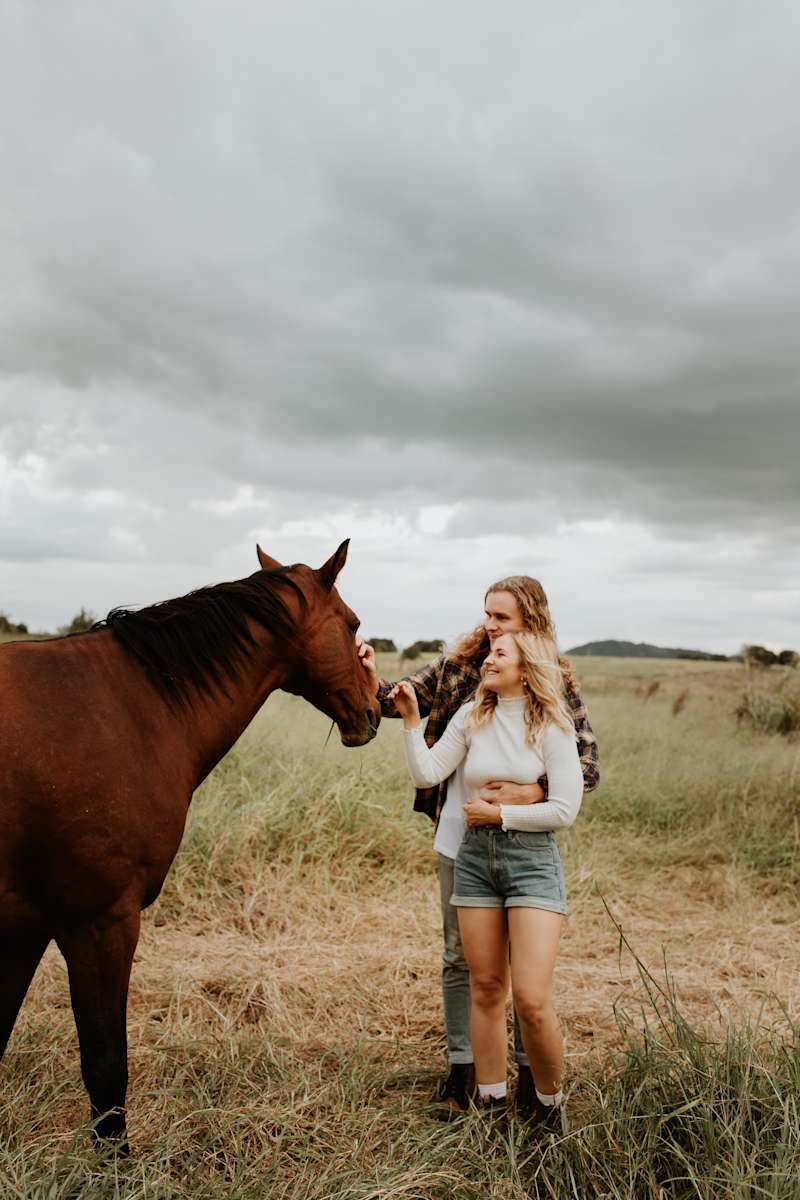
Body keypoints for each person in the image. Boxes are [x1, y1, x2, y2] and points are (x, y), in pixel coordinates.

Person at [358, 576, 599, 1117]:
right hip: (461, 840)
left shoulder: (552, 689)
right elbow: (401, 703)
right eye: (487, 615)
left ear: (530, 624)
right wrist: (371, 678)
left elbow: (583, 772)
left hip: (524, 844)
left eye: (502, 620)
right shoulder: (464, 668)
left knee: (526, 985)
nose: (489, 627)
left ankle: (532, 1084)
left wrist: (527, 794)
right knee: (467, 965)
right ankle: (466, 1075)